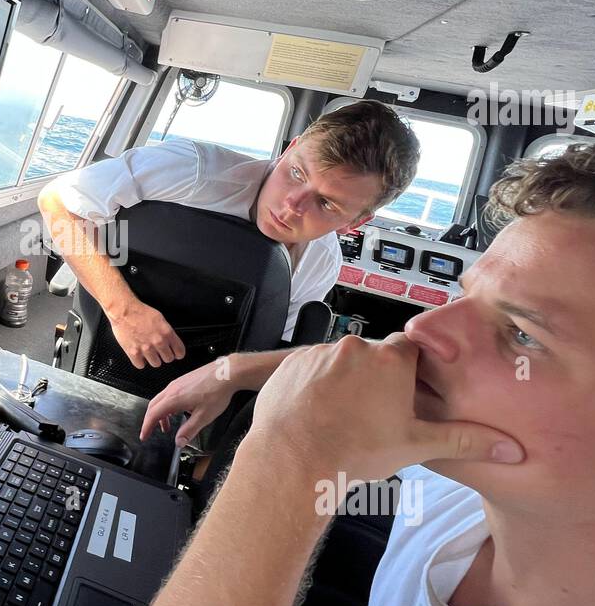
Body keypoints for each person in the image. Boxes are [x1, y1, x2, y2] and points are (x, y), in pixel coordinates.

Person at [106, 135, 595, 606]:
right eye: (466, 298)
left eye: (525, 336)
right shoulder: (493, 480)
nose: (422, 331)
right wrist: (233, 370)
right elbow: (379, 362)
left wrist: (288, 459)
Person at [37, 100, 420, 416]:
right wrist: (123, 310)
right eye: (296, 173)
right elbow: (57, 202)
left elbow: (265, 347)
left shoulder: (321, 264)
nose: (291, 205)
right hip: (100, 340)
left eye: (325, 203)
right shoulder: (192, 171)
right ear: (290, 148)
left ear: (356, 223)